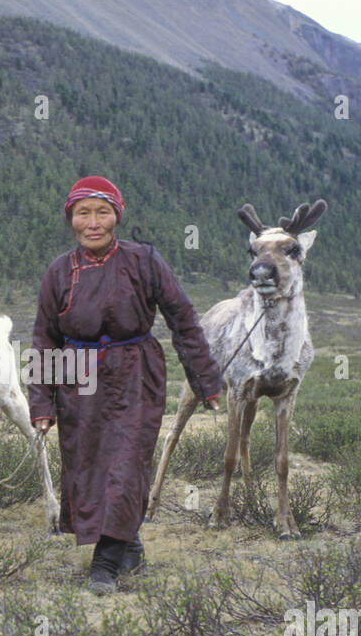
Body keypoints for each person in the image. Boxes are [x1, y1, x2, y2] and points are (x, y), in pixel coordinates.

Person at [28, 175, 222, 595]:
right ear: (71, 219)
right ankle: (128, 542)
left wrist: (206, 380)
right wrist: (42, 404)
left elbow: (183, 321)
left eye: (102, 212)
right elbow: (45, 339)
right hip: (78, 376)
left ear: (117, 215)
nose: (93, 222)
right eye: (83, 213)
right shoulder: (59, 271)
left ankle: (106, 564)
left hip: (137, 371)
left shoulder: (145, 261)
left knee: (127, 463)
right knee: (88, 466)